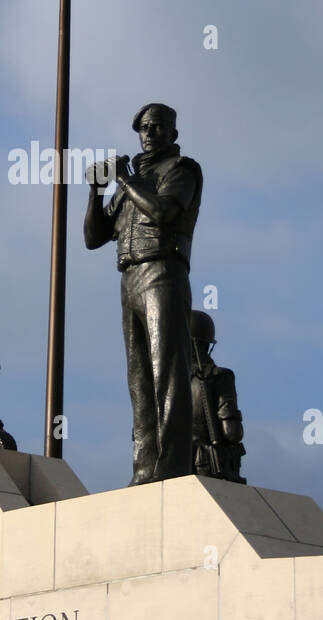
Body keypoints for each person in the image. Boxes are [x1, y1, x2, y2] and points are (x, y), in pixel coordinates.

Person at [84, 103, 203, 484]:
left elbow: (165, 213)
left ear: (173, 133)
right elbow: (93, 237)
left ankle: (170, 468)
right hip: (129, 278)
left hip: (162, 271)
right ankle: (144, 469)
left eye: (158, 127)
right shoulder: (133, 180)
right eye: (144, 128)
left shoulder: (181, 170)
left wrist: (123, 181)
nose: (150, 133)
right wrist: (95, 192)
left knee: (166, 371)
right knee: (138, 378)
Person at [190, 311, 246, 483]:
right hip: (211, 466)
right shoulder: (221, 376)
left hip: (180, 464)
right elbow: (232, 432)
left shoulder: (170, 385)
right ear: (208, 344)